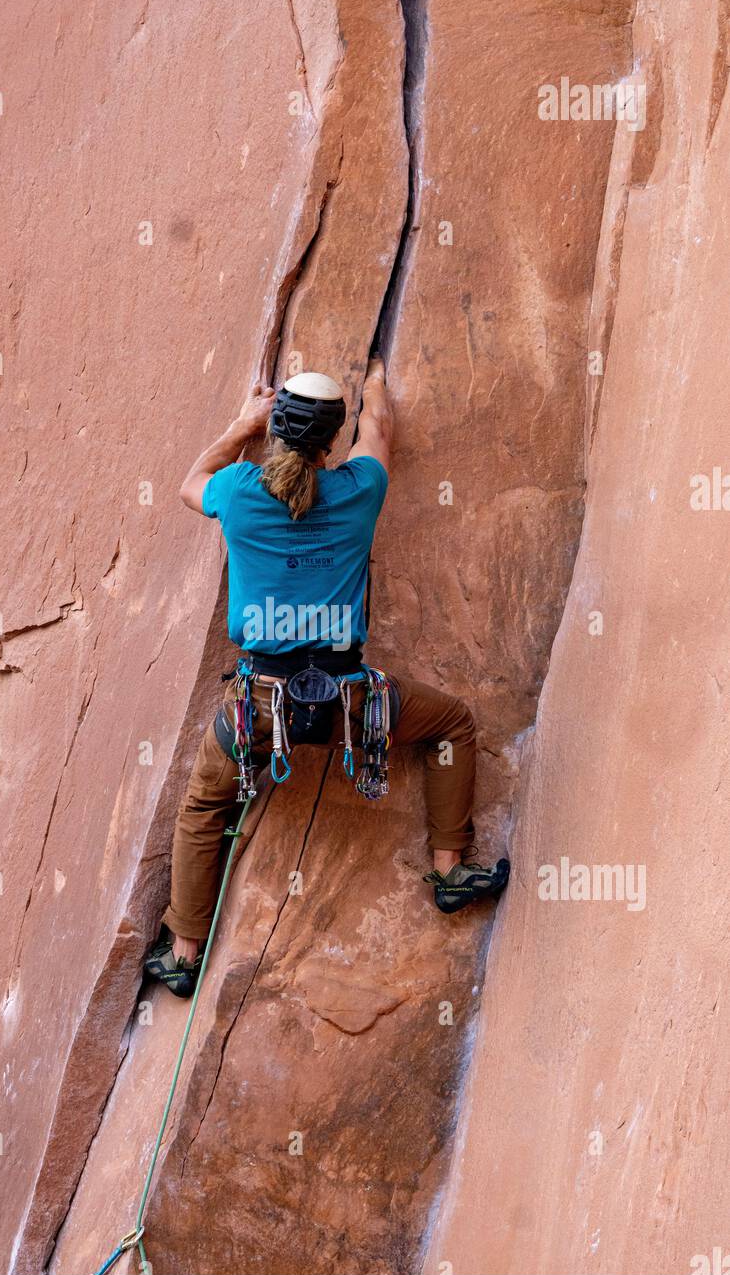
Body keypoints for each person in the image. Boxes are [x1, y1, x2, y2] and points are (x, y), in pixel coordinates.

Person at [146, 360, 509, 996]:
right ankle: (450, 871)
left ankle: (183, 955)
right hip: (352, 703)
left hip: (259, 707)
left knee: (206, 805)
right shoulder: (359, 488)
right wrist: (372, 379)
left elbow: (187, 484)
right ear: (329, 441)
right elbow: (381, 432)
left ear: (277, 432)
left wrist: (242, 425)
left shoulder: (236, 491)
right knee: (451, 721)